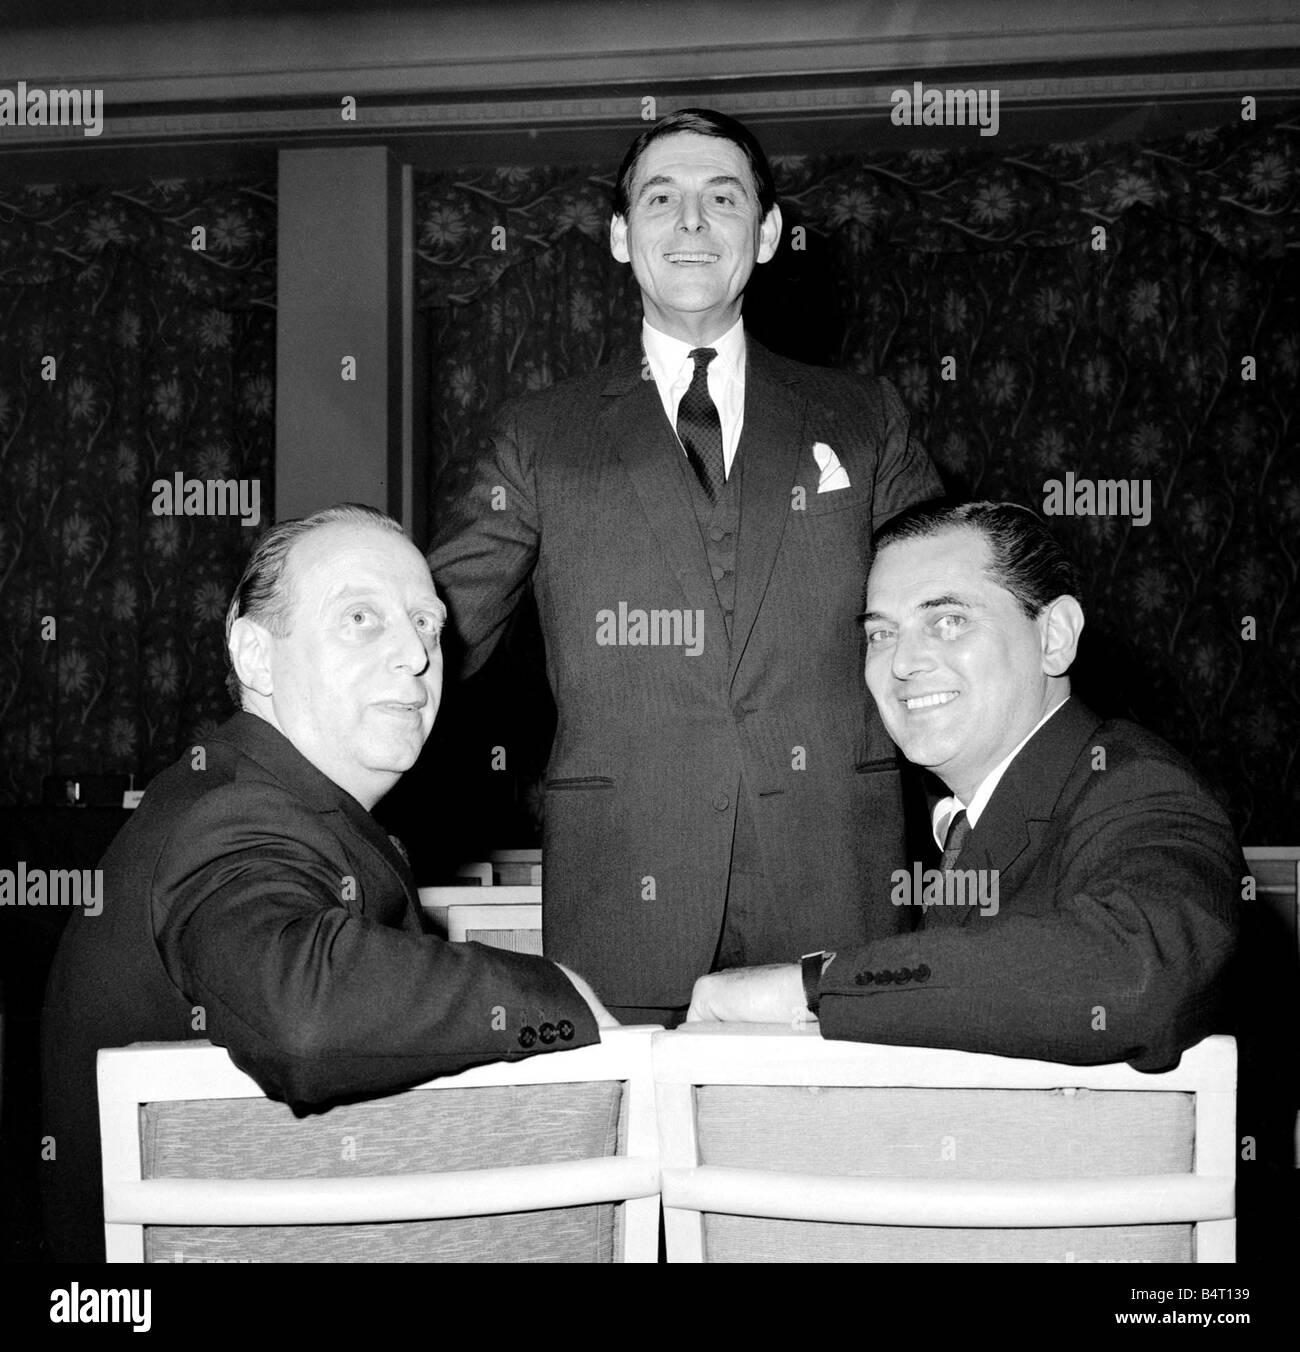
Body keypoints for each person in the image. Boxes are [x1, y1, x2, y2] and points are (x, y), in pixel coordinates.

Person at [427, 108, 942, 1023]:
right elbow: (431, 631)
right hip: (625, 886)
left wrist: (988, 802)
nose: (693, 223)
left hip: (839, 882)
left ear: (770, 233)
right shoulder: (540, 436)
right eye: (661, 199)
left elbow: (952, 619)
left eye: (723, 197)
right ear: (623, 237)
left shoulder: (864, 416)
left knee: (837, 1159)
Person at [41, 503, 613, 1263]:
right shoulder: (235, 814)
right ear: (255, 656)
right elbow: (301, 1016)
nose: (415, 653)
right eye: (360, 619)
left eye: (426, 624)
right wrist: (560, 997)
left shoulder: (272, 801)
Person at [688, 501, 1239, 1071]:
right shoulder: (943, 822)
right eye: (881, 634)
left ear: (1054, 637)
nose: (902, 663)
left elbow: (1133, 975)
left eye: (948, 621)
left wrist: (809, 988)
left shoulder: (1134, 783)